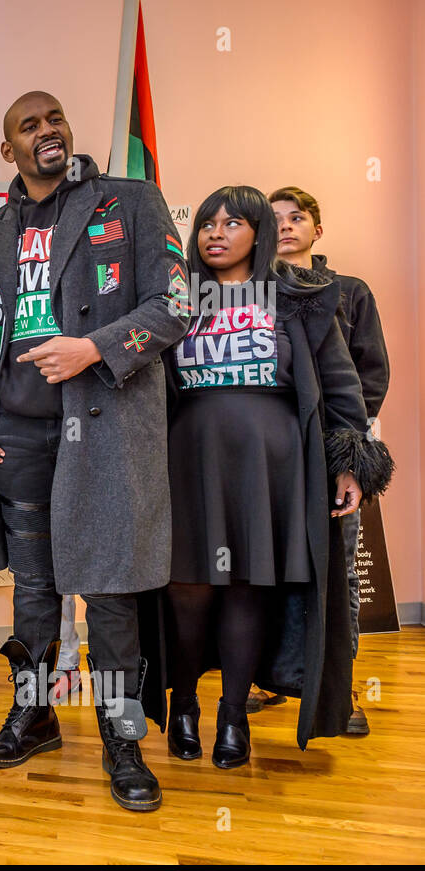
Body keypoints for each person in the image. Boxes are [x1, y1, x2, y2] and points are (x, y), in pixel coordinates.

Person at [0, 92, 189, 812]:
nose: (47, 132)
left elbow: (177, 306)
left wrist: (93, 346)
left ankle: (122, 736)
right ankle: (35, 712)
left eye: (54, 117)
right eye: (29, 126)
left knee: (110, 589)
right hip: (21, 435)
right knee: (33, 592)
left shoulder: (130, 202)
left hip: (104, 421)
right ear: (10, 151)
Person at [155, 186, 392, 769]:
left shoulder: (298, 299)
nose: (215, 232)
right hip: (186, 465)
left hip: (271, 472)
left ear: (259, 233)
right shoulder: (172, 300)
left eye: (232, 222)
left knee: (247, 588)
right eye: (207, 223)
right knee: (187, 592)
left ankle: (232, 717)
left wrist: (350, 464)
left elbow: (341, 387)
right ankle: (183, 702)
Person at [270, 185, 390, 736]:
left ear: (317, 229)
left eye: (299, 218)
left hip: (330, 456)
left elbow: (368, 376)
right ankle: (259, 678)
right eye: (275, 219)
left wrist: (341, 444)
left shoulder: (349, 292)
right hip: (268, 456)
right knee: (261, 569)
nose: (287, 226)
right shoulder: (242, 294)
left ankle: (339, 695)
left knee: (334, 574)